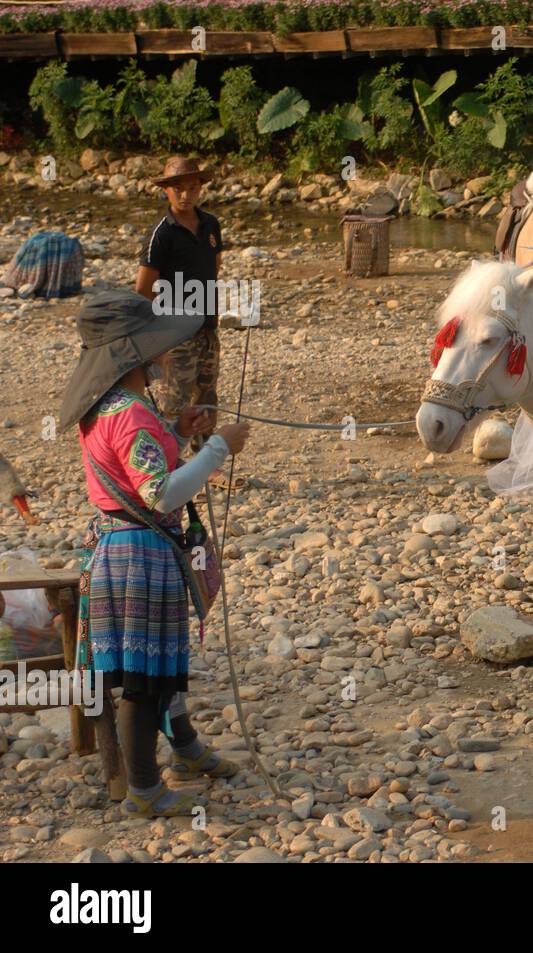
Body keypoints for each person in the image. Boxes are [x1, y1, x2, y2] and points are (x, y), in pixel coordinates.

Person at [58, 289, 251, 817]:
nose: (168, 350)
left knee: (156, 665)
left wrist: (174, 431)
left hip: (120, 549)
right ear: (136, 354)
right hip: (140, 556)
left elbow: (130, 465)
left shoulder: (112, 408)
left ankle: (184, 751)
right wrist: (217, 449)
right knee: (144, 677)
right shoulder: (132, 416)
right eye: (157, 343)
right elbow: (161, 493)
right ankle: (144, 788)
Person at [135, 156, 223, 452]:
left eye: (192, 188)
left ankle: (206, 462)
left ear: (200, 189)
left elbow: (215, 267)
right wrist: (154, 342)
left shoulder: (211, 224)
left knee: (207, 395)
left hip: (207, 327)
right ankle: (166, 461)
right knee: (174, 401)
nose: (185, 195)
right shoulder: (161, 233)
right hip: (175, 332)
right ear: (166, 191)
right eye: (178, 189)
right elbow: (143, 290)